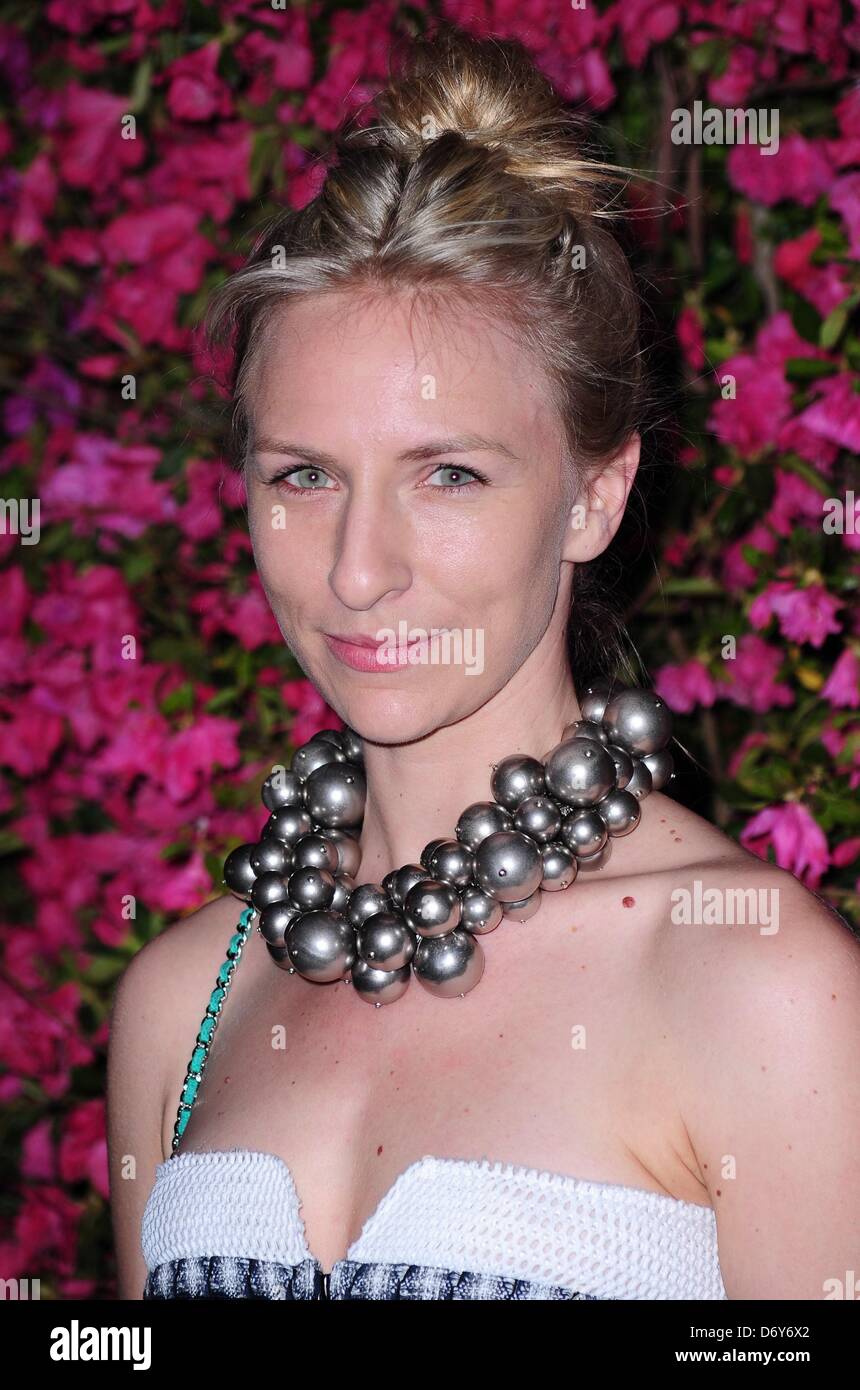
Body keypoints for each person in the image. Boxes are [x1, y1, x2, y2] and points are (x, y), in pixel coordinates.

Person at [107, 24, 860, 1301]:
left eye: (447, 474)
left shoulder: (758, 986)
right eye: (303, 475)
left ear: (593, 495)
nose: (357, 571)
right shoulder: (184, 1002)